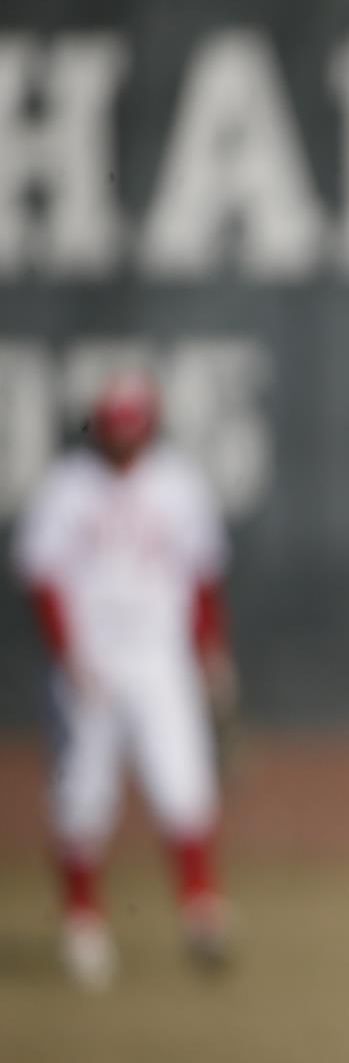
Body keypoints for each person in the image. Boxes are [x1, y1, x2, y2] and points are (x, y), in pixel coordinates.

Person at [13, 371, 238, 989]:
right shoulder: (68, 487)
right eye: (116, 428)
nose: (124, 441)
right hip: (92, 662)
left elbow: (202, 575)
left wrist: (210, 649)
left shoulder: (178, 484)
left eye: (133, 427)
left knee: (183, 783)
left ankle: (201, 913)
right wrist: (68, 654)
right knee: (83, 794)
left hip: (160, 658)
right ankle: (83, 923)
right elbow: (42, 575)